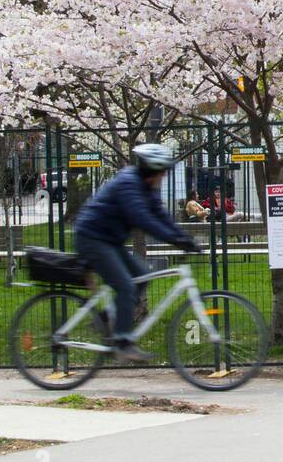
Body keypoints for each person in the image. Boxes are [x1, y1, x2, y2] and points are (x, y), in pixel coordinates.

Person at [73, 144, 200, 362]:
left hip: (110, 239)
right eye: (162, 171)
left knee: (142, 275)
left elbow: (160, 215)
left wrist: (184, 238)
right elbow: (143, 219)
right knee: (126, 286)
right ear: (152, 170)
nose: (163, 176)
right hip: (93, 238)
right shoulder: (128, 184)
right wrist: (174, 240)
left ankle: (106, 318)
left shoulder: (145, 187)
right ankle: (122, 343)